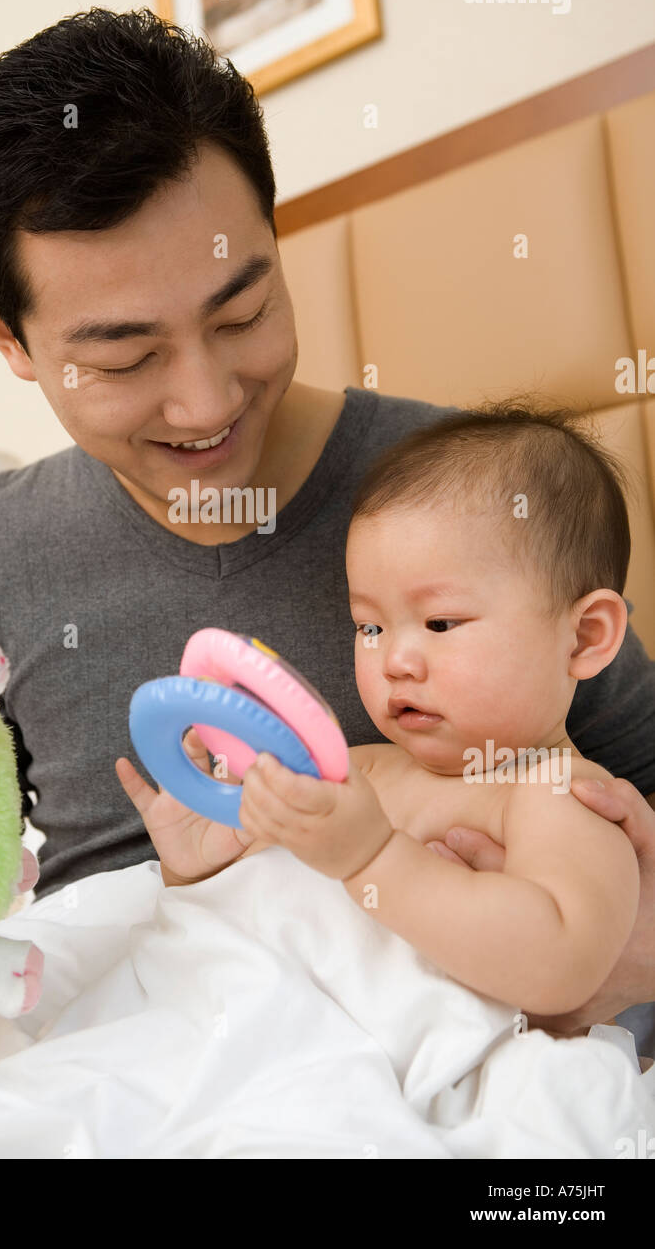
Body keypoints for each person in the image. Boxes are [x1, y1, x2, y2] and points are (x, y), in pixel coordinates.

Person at [0, 10, 653, 1042]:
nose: (205, 402)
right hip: (131, 1053)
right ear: (6, 336)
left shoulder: (479, 507)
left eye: (242, 315)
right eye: (122, 358)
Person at [229, 402, 641, 1034]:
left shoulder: (559, 793)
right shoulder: (362, 769)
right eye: (368, 625)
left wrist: (373, 859)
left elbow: (564, 967)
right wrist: (197, 859)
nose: (394, 660)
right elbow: (252, 916)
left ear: (584, 637)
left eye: (440, 623)